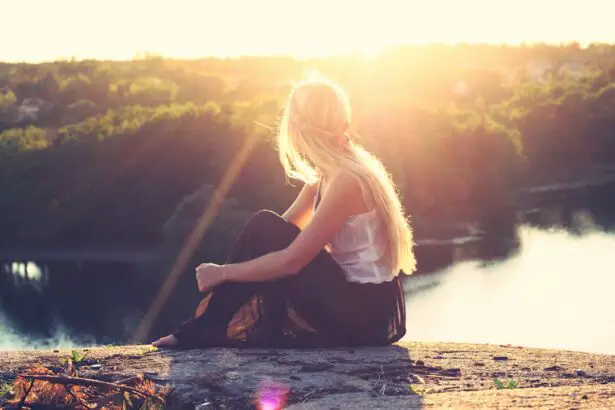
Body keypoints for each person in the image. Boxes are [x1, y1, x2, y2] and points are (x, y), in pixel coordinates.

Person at [152, 73, 416, 349]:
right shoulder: (328, 175)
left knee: (264, 226)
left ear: (297, 125)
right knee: (263, 224)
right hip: (360, 305)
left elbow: (292, 260)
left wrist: (224, 273)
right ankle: (209, 326)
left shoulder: (346, 181)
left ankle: (206, 328)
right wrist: (233, 271)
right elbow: (270, 236)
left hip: (365, 314)